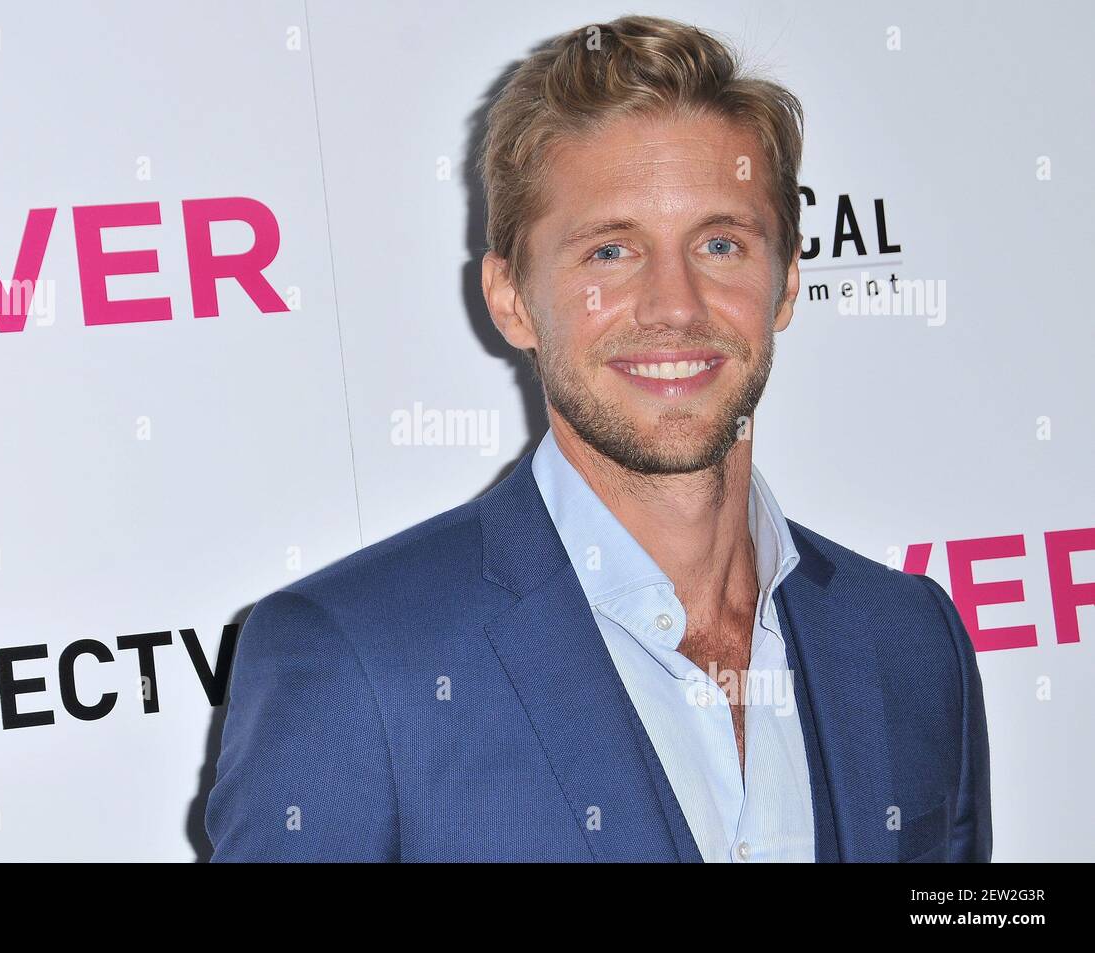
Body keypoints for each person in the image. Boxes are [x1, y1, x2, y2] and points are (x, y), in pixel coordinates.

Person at [205, 14, 991, 862]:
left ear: (788, 281)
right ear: (512, 300)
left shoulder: (910, 638)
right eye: (611, 252)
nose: (676, 306)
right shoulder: (355, 667)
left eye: (721, 243)